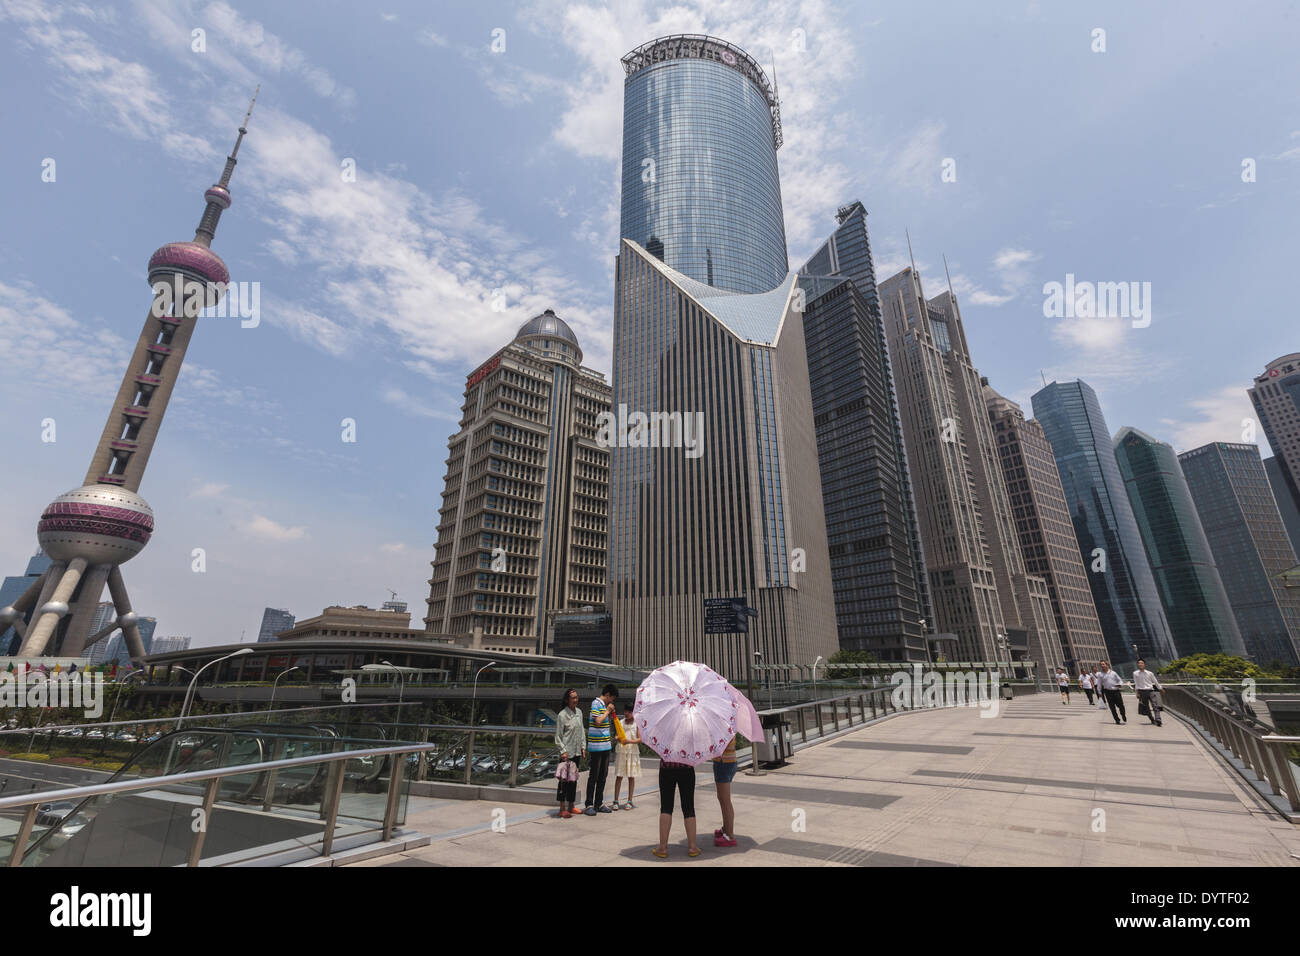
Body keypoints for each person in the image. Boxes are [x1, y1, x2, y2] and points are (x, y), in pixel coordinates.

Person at [654, 758, 700, 859]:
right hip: (686, 767)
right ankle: (692, 847)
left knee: (666, 807)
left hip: (666, 768)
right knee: (689, 808)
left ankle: (662, 848)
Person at [583, 684, 618, 815]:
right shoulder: (596, 703)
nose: (612, 701)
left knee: (603, 775)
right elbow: (597, 721)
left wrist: (609, 714)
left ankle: (599, 803)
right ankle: (589, 804)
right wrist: (608, 711)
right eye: (612, 698)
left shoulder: (604, 706)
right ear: (608, 694)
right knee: (594, 775)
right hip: (596, 745)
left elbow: (603, 721)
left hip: (605, 744)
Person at [553, 688, 584, 818]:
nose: (575, 700)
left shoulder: (579, 712)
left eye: (576, 697)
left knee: (573, 780)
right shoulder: (562, 715)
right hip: (567, 753)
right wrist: (563, 751)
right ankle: (562, 808)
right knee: (564, 782)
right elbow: (558, 736)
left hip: (576, 751)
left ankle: (571, 806)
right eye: (573, 698)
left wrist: (583, 746)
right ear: (567, 700)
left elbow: (582, 730)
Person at [612, 703, 640, 810]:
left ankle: (629, 800)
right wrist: (617, 738)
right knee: (619, 775)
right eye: (625, 711)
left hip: (632, 751)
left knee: (631, 776)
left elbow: (640, 739)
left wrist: (629, 741)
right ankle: (616, 800)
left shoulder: (637, 723)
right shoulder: (621, 722)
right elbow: (616, 735)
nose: (626, 713)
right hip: (622, 751)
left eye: (629, 712)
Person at [712, 735, 738, 847]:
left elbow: (720, 744)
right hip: (728, 760)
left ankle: (729, 836)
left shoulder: (723, 725)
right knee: (722, 798)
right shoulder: (728, 722)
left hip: (724, 762)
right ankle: (726, 828)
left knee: (725, 799)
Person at [1133, 659, 1163, 727]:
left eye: (1142, 663)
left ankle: (1158, 719)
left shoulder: (1150, 673)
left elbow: (1155, 681)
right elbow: (1136, 683)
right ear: (1138, 665)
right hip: (1142, 692)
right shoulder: (1135, 673)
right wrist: (1137, 693)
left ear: (1144, 664)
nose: (1140, 664)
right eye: (1139, 663)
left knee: (1155, 705)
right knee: (1146, 708)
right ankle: (1152, 719)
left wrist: (1160, 688)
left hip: (1150, 691)